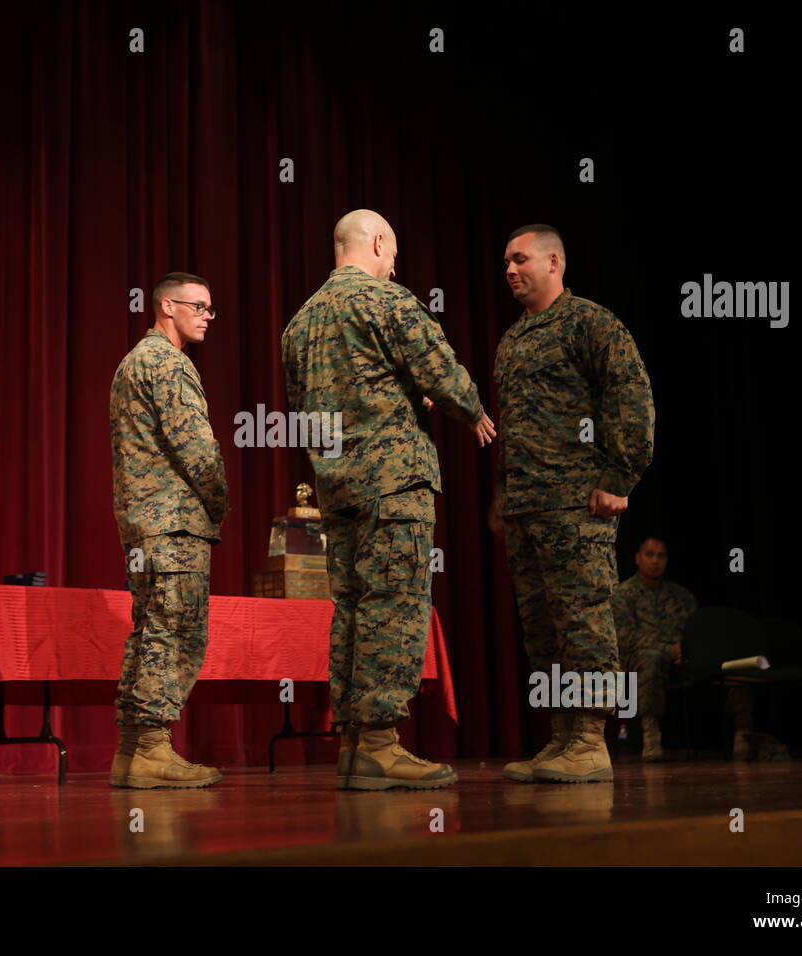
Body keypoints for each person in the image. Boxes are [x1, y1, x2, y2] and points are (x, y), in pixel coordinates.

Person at [282, 209, 495, 790]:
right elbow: (442, 373)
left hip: (337, 488)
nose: (394, 264)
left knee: (350, 609)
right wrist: (472, 411)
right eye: (393, 253)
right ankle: (379, 743)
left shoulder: (299, 324)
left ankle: (353, 742)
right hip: (393, 483)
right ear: (376, 243)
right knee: (395, 605)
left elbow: (308, 408)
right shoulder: (387, 301)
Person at [490, 224, 655, 783]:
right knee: (542, 630)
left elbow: (632, 400)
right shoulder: (511, 341)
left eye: (520, 259)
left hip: (577, 506)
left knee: (584, 620)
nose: (510, 270)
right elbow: (511, 427)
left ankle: (590, 737)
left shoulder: (591, 322)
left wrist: (619, 477)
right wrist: (501, 495)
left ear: (553, 261)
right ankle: (562, 735)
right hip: (526, 508)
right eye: (506, 263)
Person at [108, 272, 227, 788]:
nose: (207, 316)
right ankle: (152, 750)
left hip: (143, 525)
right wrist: (219, 504)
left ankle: (134, 751)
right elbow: (199, 453)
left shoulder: (132, 362)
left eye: (210, 309)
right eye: (198, 306)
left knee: (150, 630)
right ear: (165, 307)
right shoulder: (166, 363)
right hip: (173, 523)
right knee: (174, 633)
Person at [612, 536, 697, 761]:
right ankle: (651, 734)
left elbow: (694, 631)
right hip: (635, 660)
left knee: (726, 659)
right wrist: (667, 650)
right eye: (649, 554)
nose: (655, 561)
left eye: (661, 556)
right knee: (650, 658)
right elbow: (626, 638)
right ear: (638, 558)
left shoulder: (681, 596)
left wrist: (685, 650)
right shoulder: (623, 594)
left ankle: (741, 734)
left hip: (679, 660)